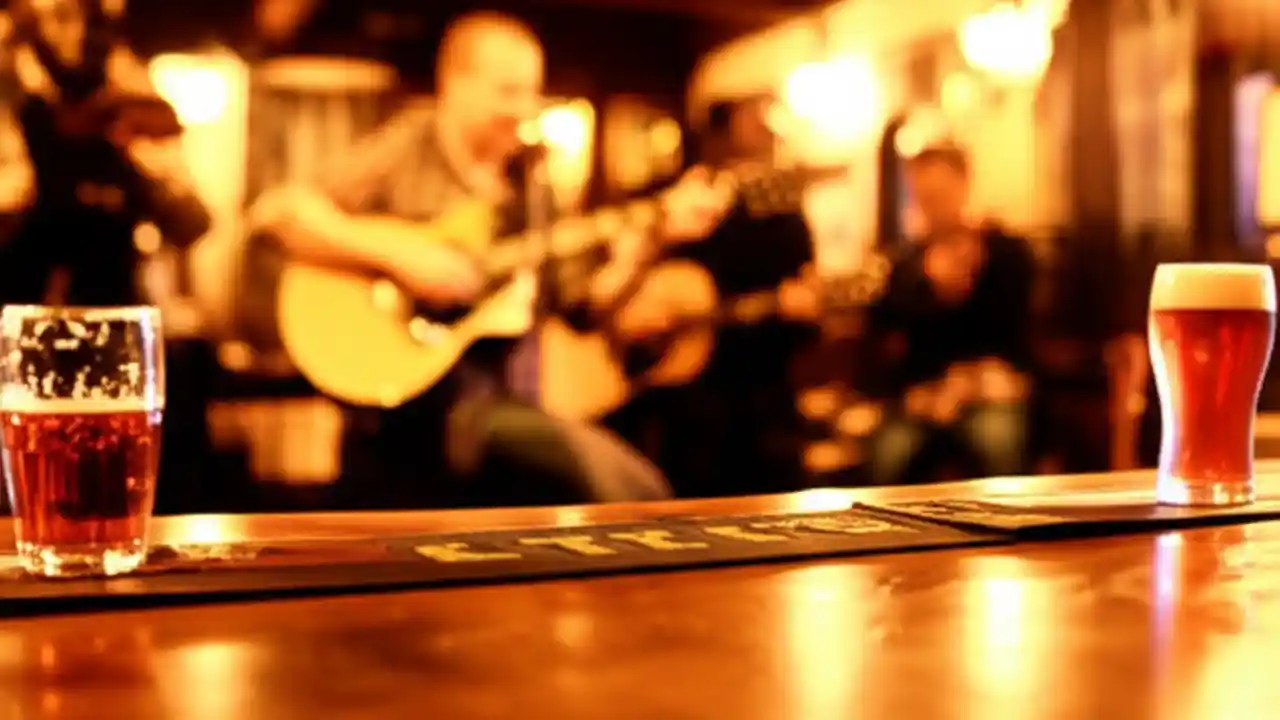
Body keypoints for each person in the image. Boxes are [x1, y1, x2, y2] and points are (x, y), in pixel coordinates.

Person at [251, 11, 728, 509]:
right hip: (403, 419)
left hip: (498, 409)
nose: (523, 109)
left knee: (636, 491)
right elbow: (280, 212)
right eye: (507, 91)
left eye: (531, 92)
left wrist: (652, 238)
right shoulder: (411, 146)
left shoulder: (531, 182)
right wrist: (403, 256)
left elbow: (580, 305)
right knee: (618, 487)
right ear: (454, 84)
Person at [605, 97, 822, 497]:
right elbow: (617, 294)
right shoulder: (670, 200)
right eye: (752, 112)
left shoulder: (783, 213)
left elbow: (807, 310)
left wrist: (801, 314)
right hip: (673, 409)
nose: (764, 125)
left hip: (761, 404)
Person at [0, 0, 209, 306]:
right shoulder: (14, 100)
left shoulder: (128, 103)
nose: (73, 35)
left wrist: (142, 159)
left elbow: (191, 222)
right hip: (14, 318)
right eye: (57, 17)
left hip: (111, 316)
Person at [865, 144, 1035, 485]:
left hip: (989, 392)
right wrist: (927, 287)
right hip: (924, 398)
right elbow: (883, 332)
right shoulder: (905, 264)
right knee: (888, 455)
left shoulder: (1004, 251)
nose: (934, 206)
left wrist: (967, 384)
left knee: (998, 445)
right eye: (924, 196)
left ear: (964, 186)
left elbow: (1013, 332)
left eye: (941, 193)